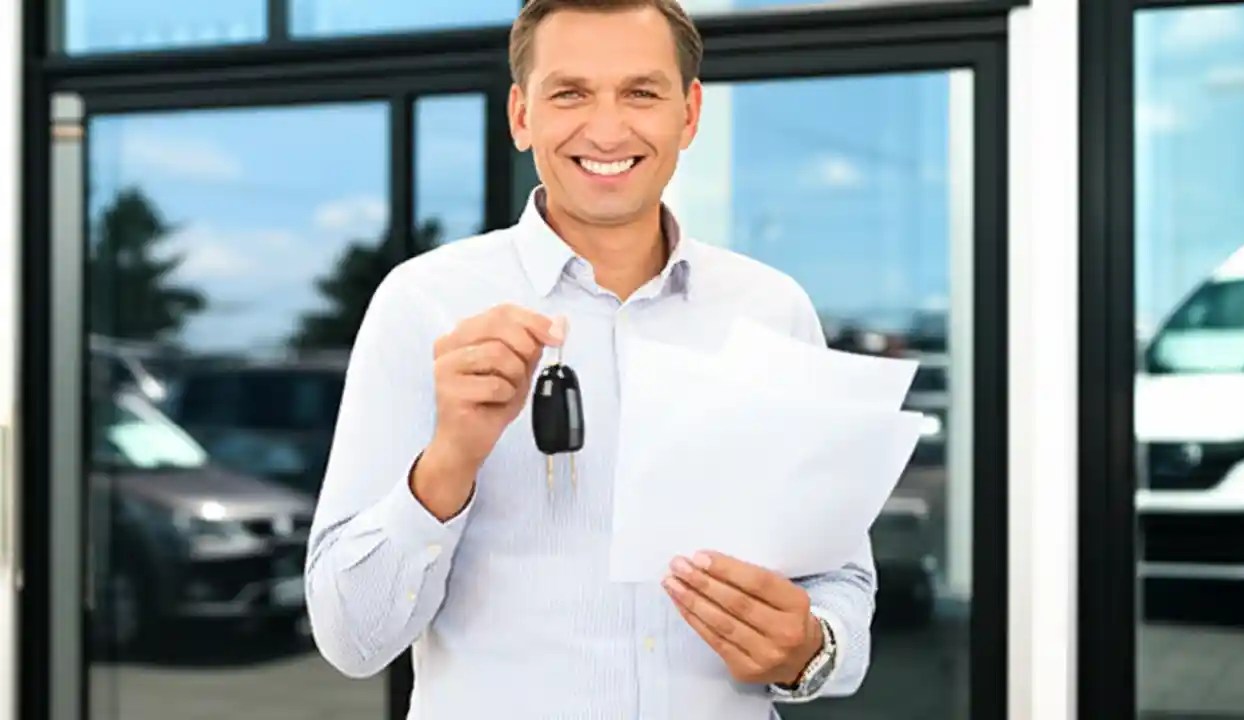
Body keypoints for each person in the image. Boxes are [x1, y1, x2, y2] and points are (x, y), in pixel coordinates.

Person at [304, 0, 878, 717]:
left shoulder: (772, 311)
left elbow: (840, 580)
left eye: (641, 92)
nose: (606, 130)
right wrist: (450, 458)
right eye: (570, 93)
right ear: (522, 116)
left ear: (689, 114)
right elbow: (352, 640)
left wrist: (810, 650)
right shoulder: (423, 305)